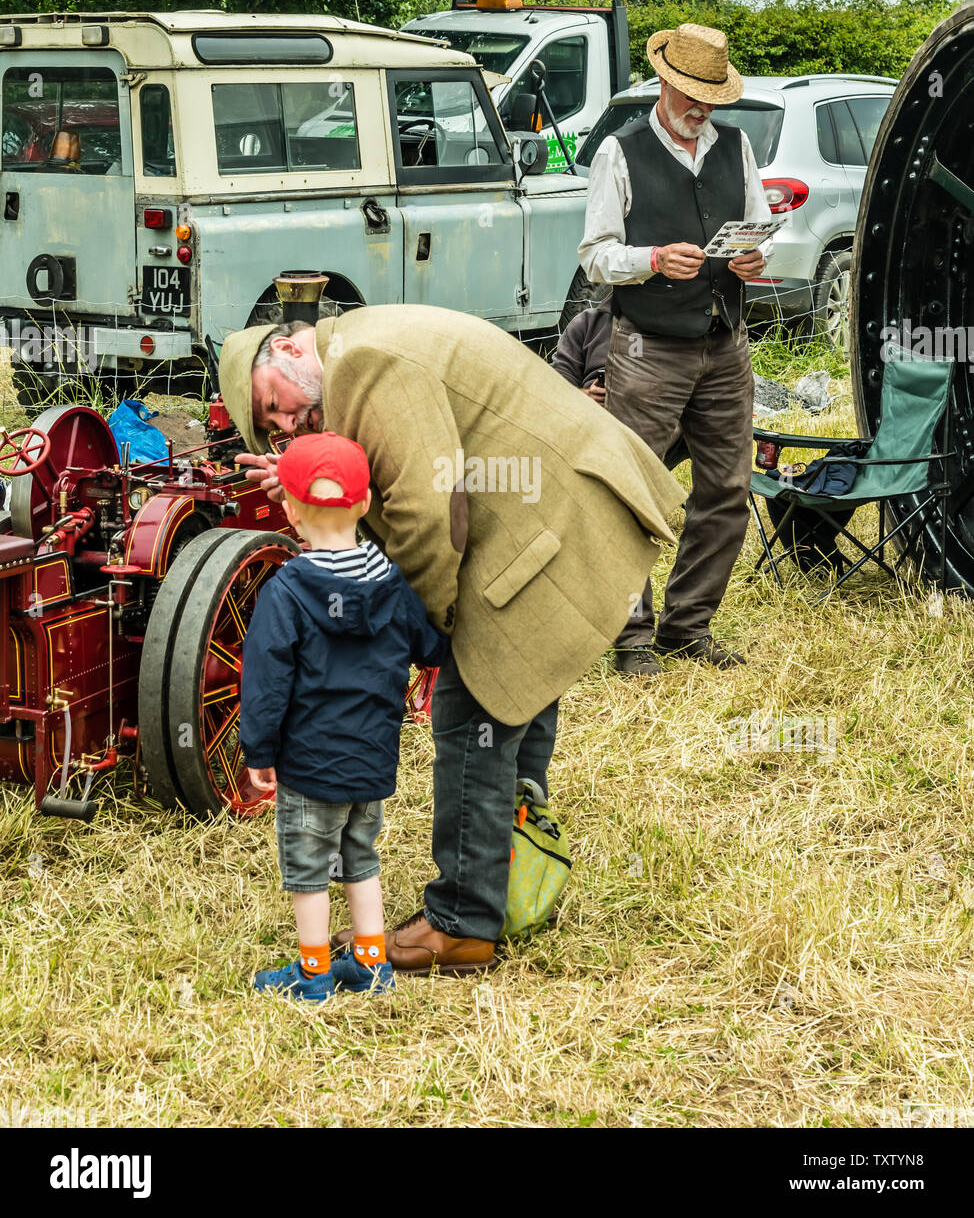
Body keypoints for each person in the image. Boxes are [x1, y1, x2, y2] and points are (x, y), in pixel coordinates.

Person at [219, 303, 685, 974]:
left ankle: (463, 921)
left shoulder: (362, 365)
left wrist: (425, 635)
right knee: (521, 688)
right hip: (556, 502)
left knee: (472, 711)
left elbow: (426, 514)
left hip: (551, 520)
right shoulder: (357, 345)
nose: (289, 424)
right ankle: (518, 858)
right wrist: (312, 477)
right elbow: (403, 469)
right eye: (275, 430)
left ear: (290, 352)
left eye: (277, 407)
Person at [578, 22, 772, 678]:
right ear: (664, 83)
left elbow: (756, 229)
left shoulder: (737, 147)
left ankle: (688, 628)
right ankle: (631, 637)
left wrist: (752, 259)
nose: (701, 109)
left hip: (725, 342)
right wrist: (653, 259)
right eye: (691, 95)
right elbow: (595, 257)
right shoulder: (619, 152)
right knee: (631, 492)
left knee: (726, 486)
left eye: (711, 97)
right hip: (647, 348)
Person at [241, 431, 449, 1000]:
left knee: (309, 867)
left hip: (310, 764)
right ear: (362, 505)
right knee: (361, 858)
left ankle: (313, 975)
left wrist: (258, 750)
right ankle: (371, 964)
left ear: (287, 508)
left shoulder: (286, 593)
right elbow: (430, 647)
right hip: (373, 761)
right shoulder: (393, 585)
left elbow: (265, 680)